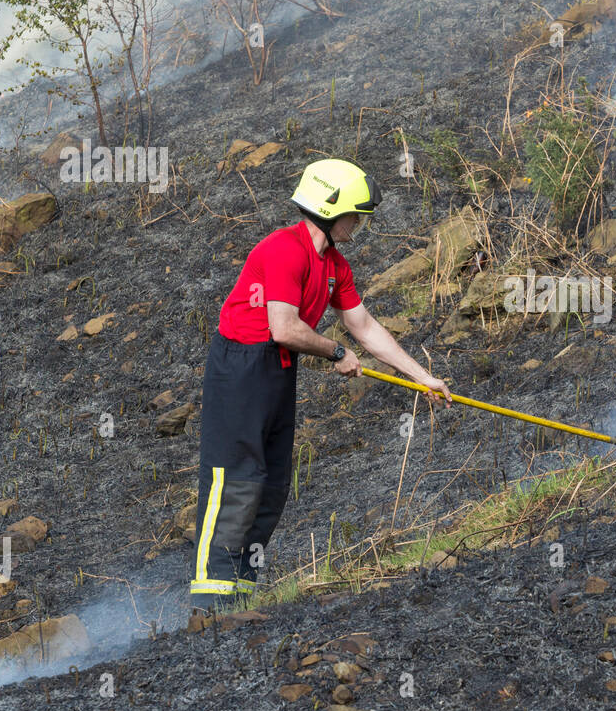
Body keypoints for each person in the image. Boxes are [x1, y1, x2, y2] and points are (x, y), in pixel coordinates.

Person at [190, 158, 451, 614]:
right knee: (235, 480)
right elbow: (284, 327)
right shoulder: (283, 249)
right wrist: (336, 352)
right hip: (241, 367)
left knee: (271, 485)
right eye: (356, 215)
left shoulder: (334, 265)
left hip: (278, 369)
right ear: (332, 210)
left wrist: (422, 377)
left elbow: (364, 326)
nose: (359, 224)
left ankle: (240, 598)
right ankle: (209, 603)